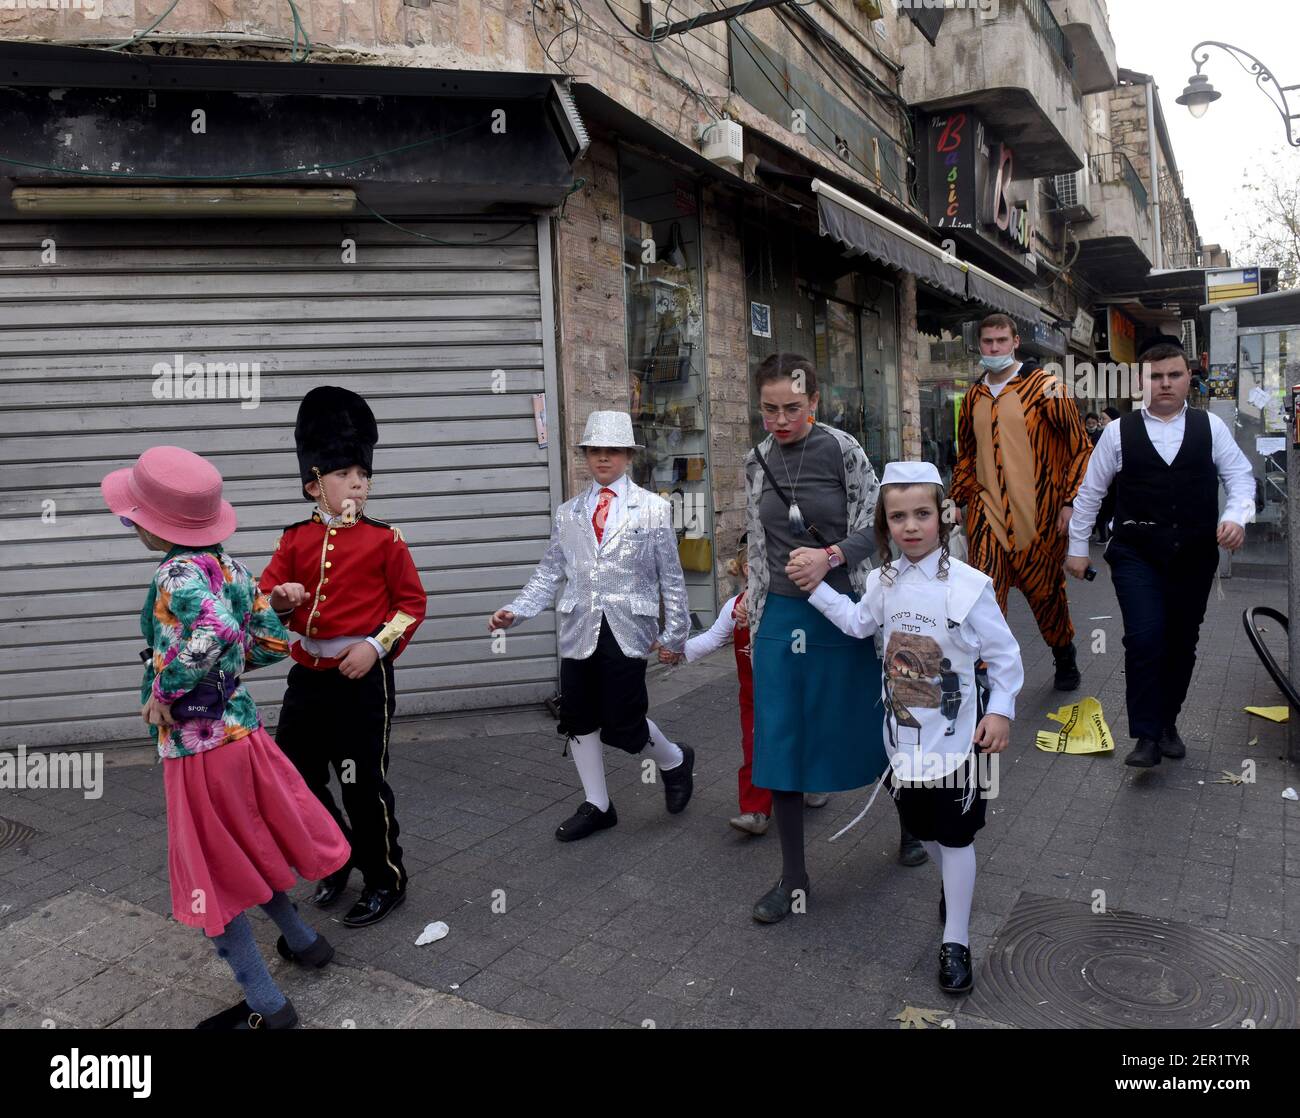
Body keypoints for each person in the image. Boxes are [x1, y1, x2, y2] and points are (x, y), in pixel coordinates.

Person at [102, 446, 351, 1030]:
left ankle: (267, 1005)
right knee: (244, 849)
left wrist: (165, 688)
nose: (130, 524)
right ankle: (306, 942)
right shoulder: (230, 567)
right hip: (243, 735)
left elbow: (211, 630)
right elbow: (265, 644)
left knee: (209, 877)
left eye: (131, 516)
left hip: (198, 749)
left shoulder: (176, 572)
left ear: (150, 522)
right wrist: (240, 651)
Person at [806, 461, 1022, 994]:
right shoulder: (884, 582)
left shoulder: (970, 586)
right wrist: (817, 588)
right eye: (898, 516)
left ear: (942, 517)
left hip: (960, 738)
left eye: (922, 514)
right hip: (903, 738)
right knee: (926, 829)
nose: (910, 526)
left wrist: (1001, 709)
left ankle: (956, 938)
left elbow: (1005, 655)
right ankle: (955, 884)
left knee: (955, 835)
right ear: (885, 523)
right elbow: (859, 624)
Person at [741, 352, 917, 928]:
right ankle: (794, 878)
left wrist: (831, 555)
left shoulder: (843, 451)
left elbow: (878, 525)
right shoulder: (755, 461)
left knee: (873, 725)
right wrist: (749, 606)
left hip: (844, 617)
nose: (780, 420)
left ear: (814, 402)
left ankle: (911, 826)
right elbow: (753, 540)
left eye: (792, 408)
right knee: (781, 744)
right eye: (769, 409)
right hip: (780, 623)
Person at [259, 387, 428, 928]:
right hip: (308, 678)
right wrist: (280, 602)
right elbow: (262, 604)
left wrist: (375, 645)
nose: (358, 482)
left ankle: (384, 878)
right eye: (344, 474)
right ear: (314, 484)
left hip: (362, 681)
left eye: (364, 473)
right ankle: (337, 856)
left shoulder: (386, 541)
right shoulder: (293, 540)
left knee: (362, 786)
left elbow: (411, 606)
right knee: (296, 777)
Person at [490, 410, 693, 841]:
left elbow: (670, 579)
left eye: (612, 451)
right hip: (578, 627)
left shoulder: (653, 509)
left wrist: (675, 635)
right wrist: (517, 610)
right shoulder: (569, 513)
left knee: (624, 724)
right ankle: (598, 804)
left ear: (627, 456)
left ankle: (674, 760)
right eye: (595, 451)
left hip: (628, 628)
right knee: (578, 717)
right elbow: (550, 573)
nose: (603, 458)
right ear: (585, 456)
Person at [1066, 342, 1255, 767]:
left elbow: (1240, 478)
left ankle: (1168, 722)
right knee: (1145, 637)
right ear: (1141, 382)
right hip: (1136, 553)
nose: (1165, 383)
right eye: (1155, 376)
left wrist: (1236, 517)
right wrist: (1078, 549)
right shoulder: (1118, 432)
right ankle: (1147, 736)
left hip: (1194, 552)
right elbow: (1090, 493)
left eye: (1173, 375)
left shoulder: (1211, 428)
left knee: (1181, 642)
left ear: (1189, 378)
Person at [950, 314, 1092, 690]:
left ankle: (1064, 653)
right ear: (979, 346)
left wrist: (1070, 501)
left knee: (1046, 595)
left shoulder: (1047, 388)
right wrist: (954, 501)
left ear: (1015, 341)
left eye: (1001, 340)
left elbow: (1081, 448)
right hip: (986, 516)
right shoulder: (972, 398)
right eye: (987, 342)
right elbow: (966, 456)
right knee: (985, 595)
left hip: (1038, 515)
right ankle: (988, 672)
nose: (994, 348)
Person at [660, 537, 770, 835]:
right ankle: (755, 810)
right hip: (753, 698)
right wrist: (678, 651)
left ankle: (810, 784)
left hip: (792, 695)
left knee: (800, 744)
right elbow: (712, 639)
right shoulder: (733, 609)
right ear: (749, 569)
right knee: (754, 747)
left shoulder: (784, 605)